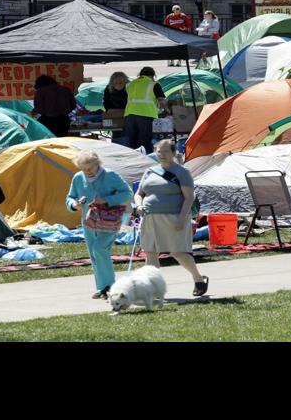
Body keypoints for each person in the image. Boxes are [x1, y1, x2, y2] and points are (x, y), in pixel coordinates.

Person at [134, 139, 209, 298]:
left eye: (166, 151)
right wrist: (139, 205)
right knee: (151, 252)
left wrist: (182, 219)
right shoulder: (150, 171)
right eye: (159, 152)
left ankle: (198, 279)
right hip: (149, 217)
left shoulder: (182, 172)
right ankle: (152, 288)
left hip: (174, 217)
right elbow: (139, 193)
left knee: (178, 252)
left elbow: (189, 198)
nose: (162, 155)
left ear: (174, 153)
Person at [65, 149, 135, 300]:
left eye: (89, 168)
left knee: (100, 250)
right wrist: (74, 204)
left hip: (109, 220)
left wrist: (106, 200)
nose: (87, 172)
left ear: (97, 163)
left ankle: (110, 286)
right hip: (89, 222)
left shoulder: (110, 176)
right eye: (83, 169)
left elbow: (127, 193)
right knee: (94, 254)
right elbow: (70, 197)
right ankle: (101, 287)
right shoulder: (78, 178)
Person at [122, 66, 167, 153]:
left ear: (140, 74)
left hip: (129, 116)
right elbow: (161, 100)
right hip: (146, 115)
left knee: (132, 142)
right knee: (145, 142)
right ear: (153, 75)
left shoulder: (130, 84)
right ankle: (145, 163)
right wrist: (169, 111)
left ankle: (133, 163)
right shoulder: (154, 84)